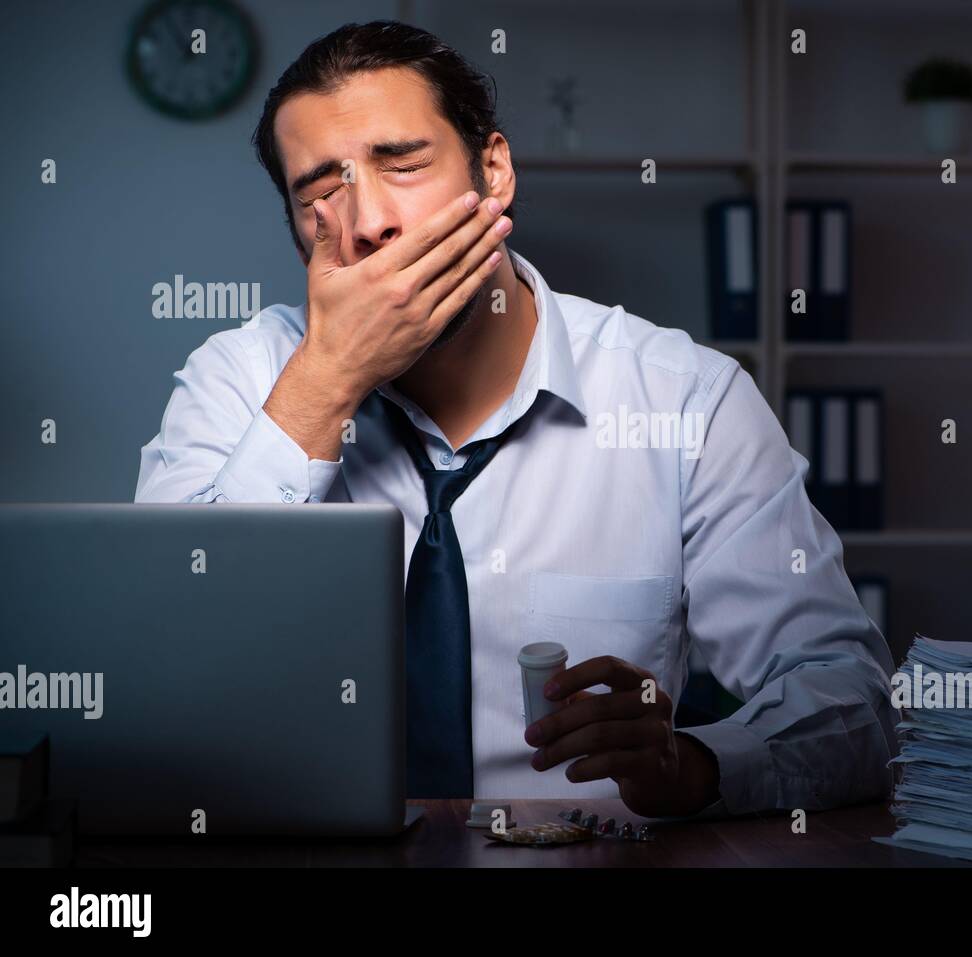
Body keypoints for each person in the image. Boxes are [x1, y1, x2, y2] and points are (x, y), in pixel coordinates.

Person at [135, 20, 898, 818]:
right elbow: (161, 676)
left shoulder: (684, 401)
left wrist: (695, 766)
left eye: (403, 165)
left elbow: (855, 704)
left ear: (493, 172)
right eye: (321, 192)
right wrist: (327, 378)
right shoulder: (238, 380)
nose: (367, 224)